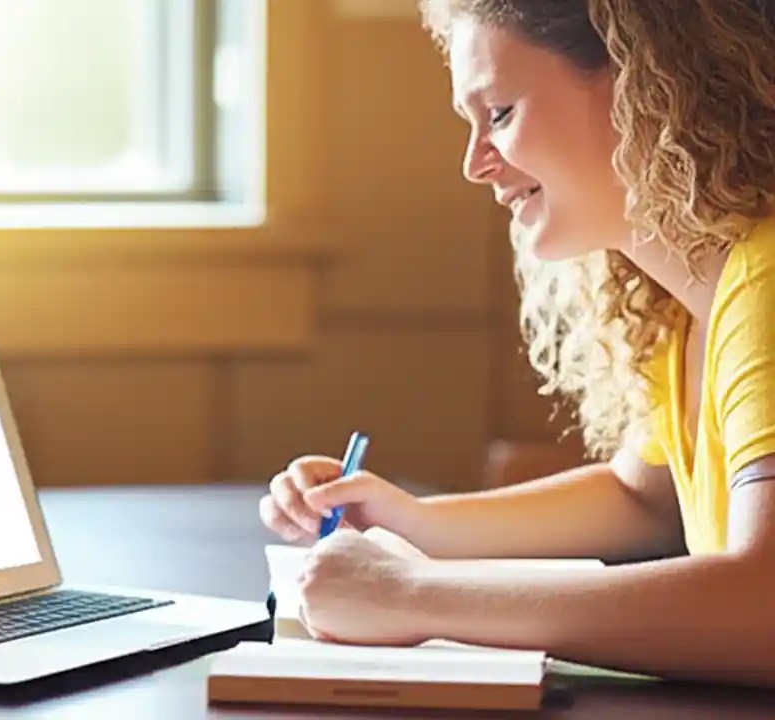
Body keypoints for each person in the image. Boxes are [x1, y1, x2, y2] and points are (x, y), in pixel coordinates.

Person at [259, 0, 775, 686]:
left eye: (499, 113)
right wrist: (411, 521)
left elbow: (761, 606)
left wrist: (412, 596)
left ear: (647, 85)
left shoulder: (764, 280)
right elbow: (643, 501)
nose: (476, 163)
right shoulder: (681, 312)